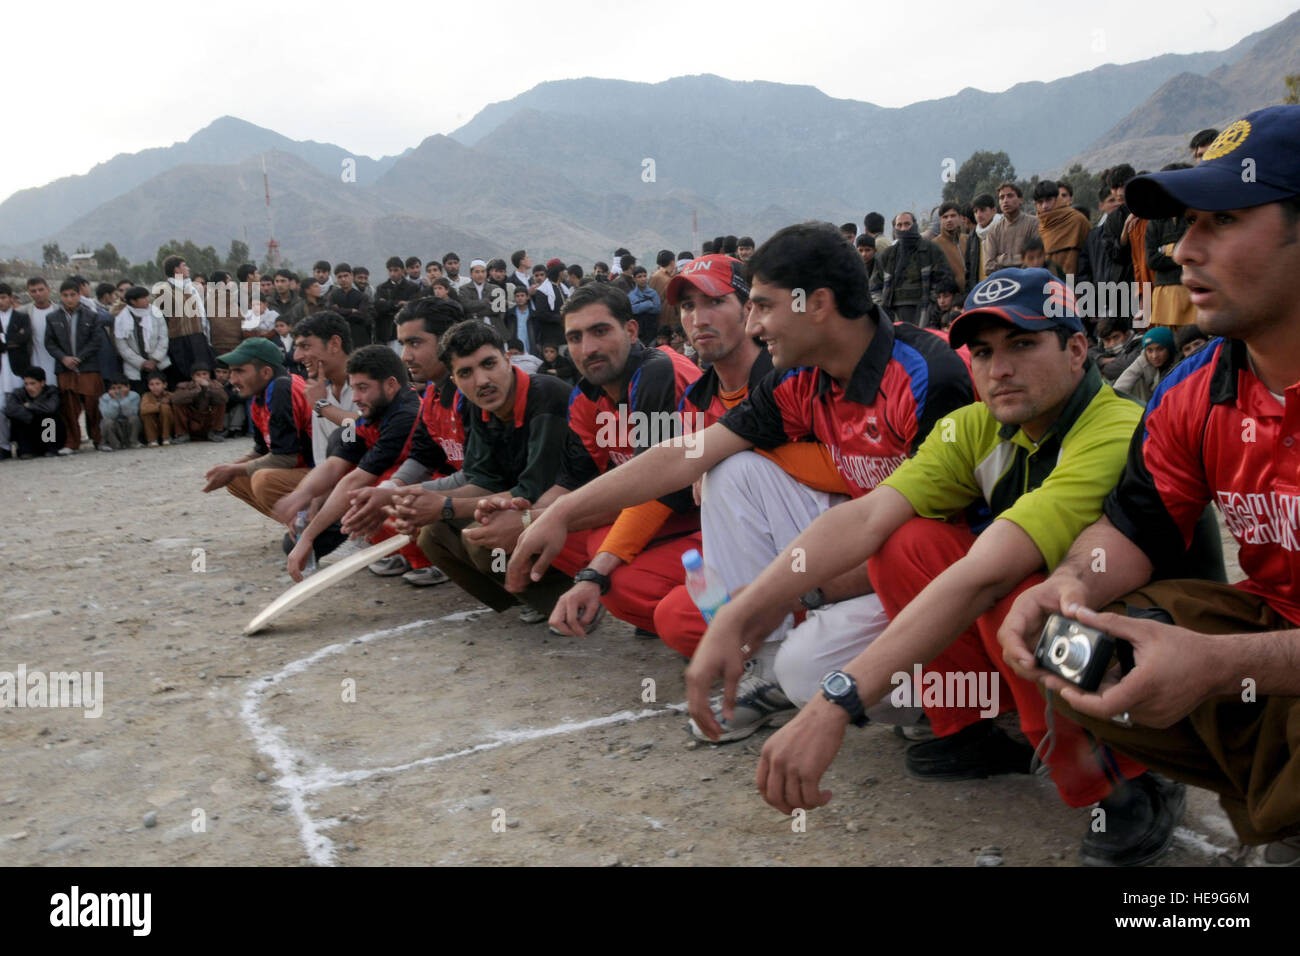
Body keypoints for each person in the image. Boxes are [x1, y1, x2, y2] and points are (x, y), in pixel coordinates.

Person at [730, 268, 1181, 864]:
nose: (1000, 369)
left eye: (1023, 344)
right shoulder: (976, 426)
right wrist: (740, 616)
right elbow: (865, 520)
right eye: (985, 352)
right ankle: (976, 731)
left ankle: (1131, 774)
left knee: (1013, 583)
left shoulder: (1115, 426)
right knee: (906, 541)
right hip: (1066, 615)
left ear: (1077, 349)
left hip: (1159, 640)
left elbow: (992, 572)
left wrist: (836, 704)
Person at [507, 223, 972, 738]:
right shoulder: (796, 376)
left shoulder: (925, 375)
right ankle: (766, 667)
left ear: (816, 304)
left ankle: (947, 706)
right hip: (857, 539)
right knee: (728, 469)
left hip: (927, 565)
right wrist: (561, 513)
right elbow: (685, 456)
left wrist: (794, 594)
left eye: (762, 306)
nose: (755, 324)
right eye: (688, 307)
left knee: (806, 658)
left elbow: (928, 544)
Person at [997, 107, 1300, 866]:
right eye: (1187, 222)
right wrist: (1064, 586)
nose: (1182, 250)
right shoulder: (1200, 385)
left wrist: (1225, 667)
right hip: (1278, 638)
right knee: (1072, 645)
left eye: (1223, 219)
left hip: (1270, 660)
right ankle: (1282, 814)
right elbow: (1134, 528)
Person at [394, 320, 584, 621]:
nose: (482, 380)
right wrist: (418, 503)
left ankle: (569, 600)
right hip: (527, 504)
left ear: (508, 360)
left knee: (481, 539)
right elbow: (483, 480)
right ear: (455, 380)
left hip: (573, 506)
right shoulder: (478, 407)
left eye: (489, 364)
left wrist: (444, 506)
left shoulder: (546, 398)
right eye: (466, 373)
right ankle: (521, 597)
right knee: (432, 535)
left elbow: (534, 491)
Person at [345, 297, 471, 587]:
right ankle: (413, 551)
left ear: (448, 341)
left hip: (500, 494)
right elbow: (423, 455)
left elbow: (486, 475)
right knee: (381, 487)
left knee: (413, 505)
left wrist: (399, 495)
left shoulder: (475, 396)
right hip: (467, 485)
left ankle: (521, 576)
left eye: (415, 343)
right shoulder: (432, 395)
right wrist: (389, 491)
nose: (405, 356)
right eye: (403, 344)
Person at [276, 345, 422, 581]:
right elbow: (335, 464)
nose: (355, 398)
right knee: (342, 442)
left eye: (363, 388)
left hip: (432, 490)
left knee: (377, 487)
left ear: (391, 385)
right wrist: (300, 498)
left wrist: (309, 536)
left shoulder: (406, 415)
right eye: (353, 388)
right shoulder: (373, 413)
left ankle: (426, 556)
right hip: (396, 486)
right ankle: (396, 549)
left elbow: (356, 479)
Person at [201, 337, 314, 520]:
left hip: (322, 473)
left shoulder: (281, 389)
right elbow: (262, 450)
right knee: (235, 477)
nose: (232, 380)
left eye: (239, 371)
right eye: (231, 372)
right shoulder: (260, 396)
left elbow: (286, 458)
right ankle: (300, 525)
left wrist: (232, 469)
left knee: (264, 480)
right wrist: (228, 469)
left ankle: (316, 527)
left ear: (266, 372)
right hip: (304, 472)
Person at [291, 311, 358, 468]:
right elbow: (321, 460)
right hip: (333, 478)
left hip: (370, 481)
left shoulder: (370, 382)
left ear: (334, 344)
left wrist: (322, 406)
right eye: (297, 348)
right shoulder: (320, 391)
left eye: (305, 346)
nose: (296, 356)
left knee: (264, 480)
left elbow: (367, 428)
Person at [45, 278, 104, 454]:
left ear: (79, 295)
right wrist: (64, 358)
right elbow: (49, 343)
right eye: (65, 295)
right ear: (60, 296)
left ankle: (99, 439)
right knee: (69, 407)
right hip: (65, 368)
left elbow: (96, 341)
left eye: (73, 295)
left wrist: (79, 358)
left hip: (88, 367)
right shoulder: (53, 318)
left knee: (93, 405)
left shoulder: (91, 316)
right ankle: (72, 442)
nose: (69, 299)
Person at [869, 211, 953, 326]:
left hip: (925, 311)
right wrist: (882, 310)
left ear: (915, 225)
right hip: (893, 314)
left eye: (907, 224)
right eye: (899, 225)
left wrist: (932, 306)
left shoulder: (931, 250)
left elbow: (943, 281)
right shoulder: (887, 255)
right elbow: (874, 288)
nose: (903, 229)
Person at [155, 255, 215, 385]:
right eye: (184, 266)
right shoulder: (164, 290)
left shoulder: (190, 287)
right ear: (176, 270)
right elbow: (163, 319)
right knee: (185, 377)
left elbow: (201, 314)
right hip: (180, 340)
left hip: (198, 336)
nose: (188, 268)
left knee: (204, 374)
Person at [114, 286, 170, 394]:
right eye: (143, 298)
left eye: (147, 297)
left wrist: (155, 359)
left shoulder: (155, 312)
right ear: (133, 301)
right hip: (135, 368)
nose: (147, 300)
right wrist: (142, 363)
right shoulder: (121, 318)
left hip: (159, 364)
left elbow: (163, 337)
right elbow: (122, 346)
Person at [1033, 179, 1091, 277]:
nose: (1045, 206)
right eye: (1040, 202)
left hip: (1076, 284)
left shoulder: (1077, 221)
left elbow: (1092, 255)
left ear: (1057, 199)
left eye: (1048, 200)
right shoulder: (1038, 226)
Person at [0, 283, 32, 456]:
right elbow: (15, 339)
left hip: (18, 369)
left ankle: (24, 446)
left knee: (20, 408)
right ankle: (3, 447)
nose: (1, 301)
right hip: (1, 370)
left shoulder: (22, 317)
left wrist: (4, 340)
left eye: (4, 297)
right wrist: (11, 340)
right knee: (0, 410)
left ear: (11, 298)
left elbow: (23, 338)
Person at [981, 182, 1039, 272]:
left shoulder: (1034, 224)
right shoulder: (993, 230)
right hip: (1002, 283)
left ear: (1020, 200)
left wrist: (1001, 259)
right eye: (1002, 197)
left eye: (1010, 196)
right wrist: (1020, 259)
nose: (1005, 200)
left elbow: (1035, 260)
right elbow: (988, 267)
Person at [1114, 326, 1178, 404]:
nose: (1154, 356)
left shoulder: (1179, 363)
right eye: (1150, 350)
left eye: (1160, 349)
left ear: (1169, 349)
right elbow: (1125, 380)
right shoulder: (1143, 360)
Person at [5, 369, 61, 458]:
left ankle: (51, 449)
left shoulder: (51, 391)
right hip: (29, 432)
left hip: (48, 435)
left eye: (32, 383)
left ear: (42, 383)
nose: (29, 387)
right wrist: (33, 416)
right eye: (26, 384)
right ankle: (26, 450)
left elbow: (51, 408)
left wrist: (29, 406)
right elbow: (10, 409)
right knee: (19, 419)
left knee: (49, 418)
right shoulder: (19, 393)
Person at [375, 256, 421, 355]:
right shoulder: (382, 288)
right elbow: (379, 307)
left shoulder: (412, 287)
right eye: (390, 270)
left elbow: (413, 306)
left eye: (396, 270)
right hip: (386, 332)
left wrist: (388, 303)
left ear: (402, 270)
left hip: (406, 330)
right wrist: (398, 303)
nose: (393, 273)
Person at [171, 365, 228, 442]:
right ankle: (183, 434)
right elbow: (175, 400)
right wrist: (195, 391)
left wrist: (209, 387)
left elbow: (224, 399)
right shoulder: (184, 385)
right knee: (178, 404)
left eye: (204, 374)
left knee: (220, 403)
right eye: (198, 375)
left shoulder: (215, 385)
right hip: (192, 418)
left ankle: (214, 432)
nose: (202, 377)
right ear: (193, 377)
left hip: (207, 418)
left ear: (209, 375)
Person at [23, 278, 60, 384]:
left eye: (40, 289)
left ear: (48, 290)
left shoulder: (59, 311)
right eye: (33, 291)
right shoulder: (23, 312)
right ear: (29, 293)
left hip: (57, 363)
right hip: (35, 362)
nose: (37, 293)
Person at [328, 263, 373, 347]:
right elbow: (331, 314)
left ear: (351, 276)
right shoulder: (333, 295)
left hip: (359, 338)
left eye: (346, 276)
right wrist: (351, 311)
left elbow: (361, 316)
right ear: (336, 279)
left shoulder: (362, 296)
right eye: (340, 277)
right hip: (339, 338)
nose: (343, 279)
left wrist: (340, 312)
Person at [1090, 313, 1143, 383]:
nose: (1112, 343)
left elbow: (1127, 365)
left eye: (1116, 337)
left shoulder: (1140, 343)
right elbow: (1088, 354)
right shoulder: (1102, 346)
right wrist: (1102, 360)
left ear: (1127, 334)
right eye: (1107, 340)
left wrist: (1100, 367)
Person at [931, 202, 969, 295]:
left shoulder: (968, 239)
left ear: (960, 217)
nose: (949, 220)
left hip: (973, 293)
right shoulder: (934, 245)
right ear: (941, 220)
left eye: (953, 216)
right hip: (951, 298)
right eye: (945, 217)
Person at [96, 378, 141, 450]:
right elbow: (109, 416)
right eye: (113, 388)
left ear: (128, 387)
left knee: (134, 418)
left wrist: (124, 399)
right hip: (115, 425)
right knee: (107, 422)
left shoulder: (134, 396)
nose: (117, 391)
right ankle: (115, 444)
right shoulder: (105, 397)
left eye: (120, 387)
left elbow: (130, 413)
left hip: (127, 425)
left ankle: (133, 442)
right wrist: (114, 400)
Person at [139, 372, 177, 446]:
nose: (154, 387)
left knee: (165, 407)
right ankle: (152, 440)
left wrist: (163, 405)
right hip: (153, 426)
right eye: (151, 384)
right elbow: (143, 410)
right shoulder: (146, 395)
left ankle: (167, 437)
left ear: (164, 385)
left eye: (157, 384)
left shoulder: (170, 395)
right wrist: (158, 405)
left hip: (168, 425)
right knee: (147, 414)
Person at [626, 266, 661, 346]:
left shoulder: (653, 293)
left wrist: (640, 305)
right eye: (639, 277)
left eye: (645, 276)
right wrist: (648, 303)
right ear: (634, 279)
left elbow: (657, 308)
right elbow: (633, 309)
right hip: (638, 331)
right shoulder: (631, 295)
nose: (643, 279)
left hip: (652, 330)